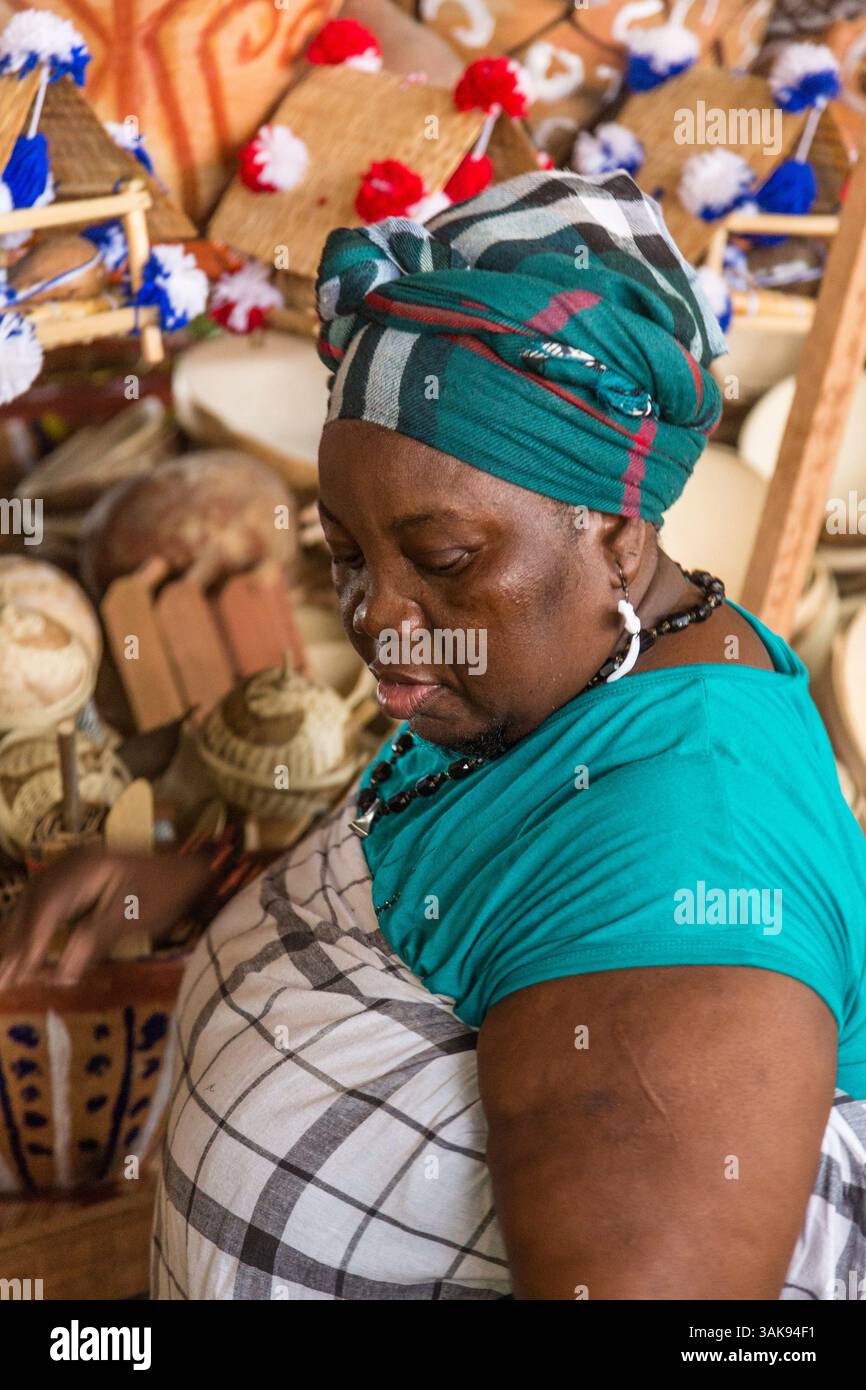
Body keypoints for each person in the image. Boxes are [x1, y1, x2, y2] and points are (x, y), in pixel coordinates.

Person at [2, 172, 865, 1300]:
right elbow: (471, 875)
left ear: (610, 529)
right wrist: (204, 880)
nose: (372, 615)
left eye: (444, 559)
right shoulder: (571, 673)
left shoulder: (683, 862)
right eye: (346, 554)